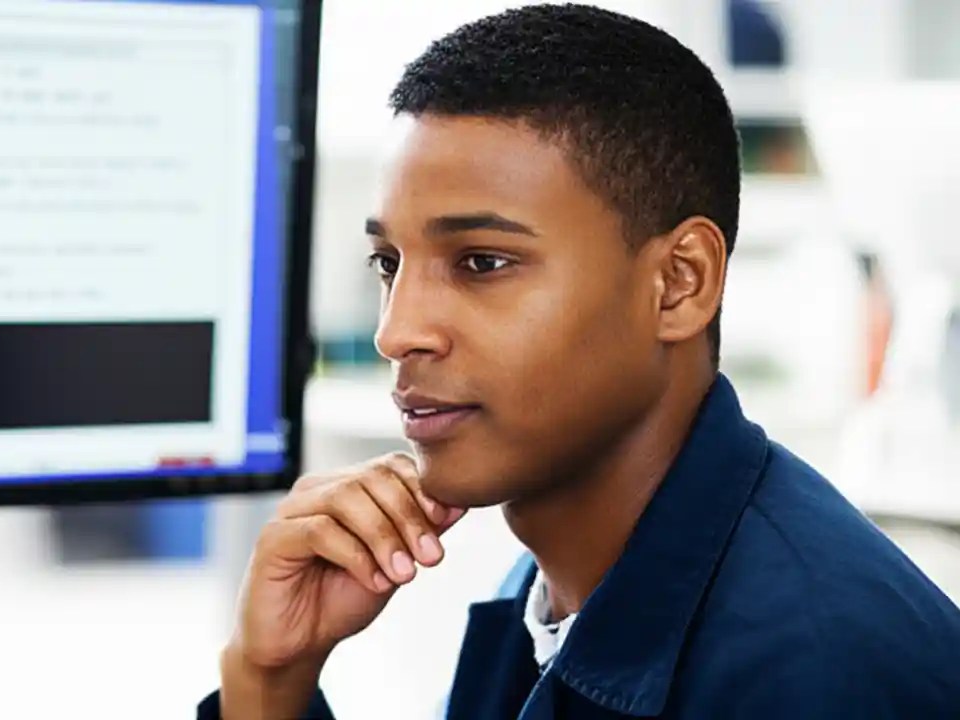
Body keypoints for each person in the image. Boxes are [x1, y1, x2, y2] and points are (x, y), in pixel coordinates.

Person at [199, 4, 960, 718]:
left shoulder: (813, 676)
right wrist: (269, 680)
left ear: (679, 283)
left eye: (482, 262)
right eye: (388, 264)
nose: (397, 333)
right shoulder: (559, 590)